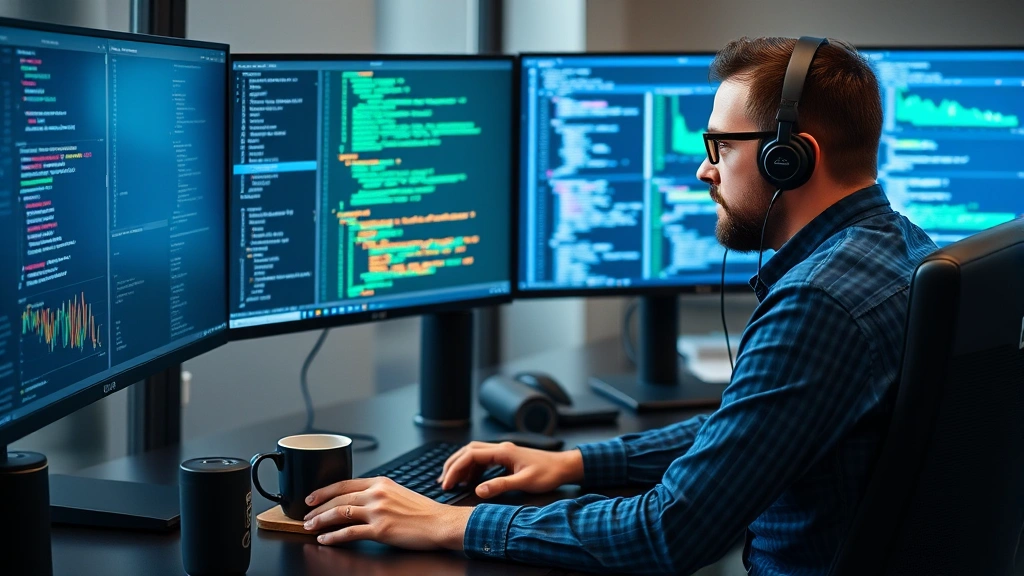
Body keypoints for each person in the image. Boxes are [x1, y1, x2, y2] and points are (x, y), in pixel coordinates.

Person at [300, 36, 938, 575]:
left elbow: (669, 533)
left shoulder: (817, 304)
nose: (703, 170)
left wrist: (455, 522)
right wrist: (575, 462)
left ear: (791, 158)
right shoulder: (903, 250)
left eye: (721, 146)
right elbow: (750, 434)